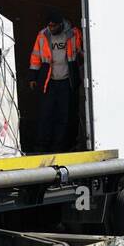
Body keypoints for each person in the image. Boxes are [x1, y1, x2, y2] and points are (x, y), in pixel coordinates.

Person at [28, 8, 82, 152]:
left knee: (63, 115)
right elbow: (35, 56)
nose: (51, 28)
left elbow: (81, 54)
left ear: (60, 24)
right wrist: (33, 76)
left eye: (54, 26)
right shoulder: (43, 35)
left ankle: (60, 146)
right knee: (45, 114)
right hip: (49, 80)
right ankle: (41, 146)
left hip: (66, 80)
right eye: (49, 25)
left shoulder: (72, 34)